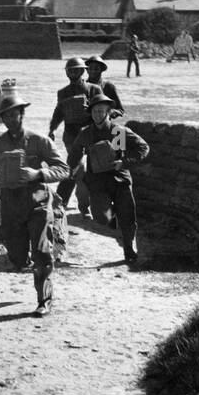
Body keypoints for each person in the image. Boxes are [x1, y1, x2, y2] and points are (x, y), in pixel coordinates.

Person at [0, 93, 69, 316]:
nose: (12, 119)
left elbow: (63, 169)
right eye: (7, 116)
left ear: (22, 115)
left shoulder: (39, 140)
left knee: (42, 253)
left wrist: (39, 174)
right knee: (16, 256)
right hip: (11, 207)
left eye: (16, 114)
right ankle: (24, 260)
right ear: (3, 119)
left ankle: (44, 299)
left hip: (38, 205)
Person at [67, 87, 150, 267]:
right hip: (97, 182)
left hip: (119, 179)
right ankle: (115, 221)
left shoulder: (117, 131)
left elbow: (143, 148)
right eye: (95, 111)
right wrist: (72, 167)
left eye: (101, 111)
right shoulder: (86, 133)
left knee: (128, 218)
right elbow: (74, 154)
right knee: (101, 218)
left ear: (108, 112)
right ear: (91, 113)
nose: (98, 115)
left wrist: (124, 162)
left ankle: (129, 249)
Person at [49, 56, 94, 216]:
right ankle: (74, 205)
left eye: (77, 70)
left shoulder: (93, 89)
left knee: (91, 171)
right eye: (71, 70)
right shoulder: (63, 93)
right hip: (72, 136)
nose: (74, 73)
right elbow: (58, 112)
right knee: (78, 168)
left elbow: (104, 110)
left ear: (83, 71)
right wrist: (52, 129)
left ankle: (84, 204)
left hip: (91, 135)